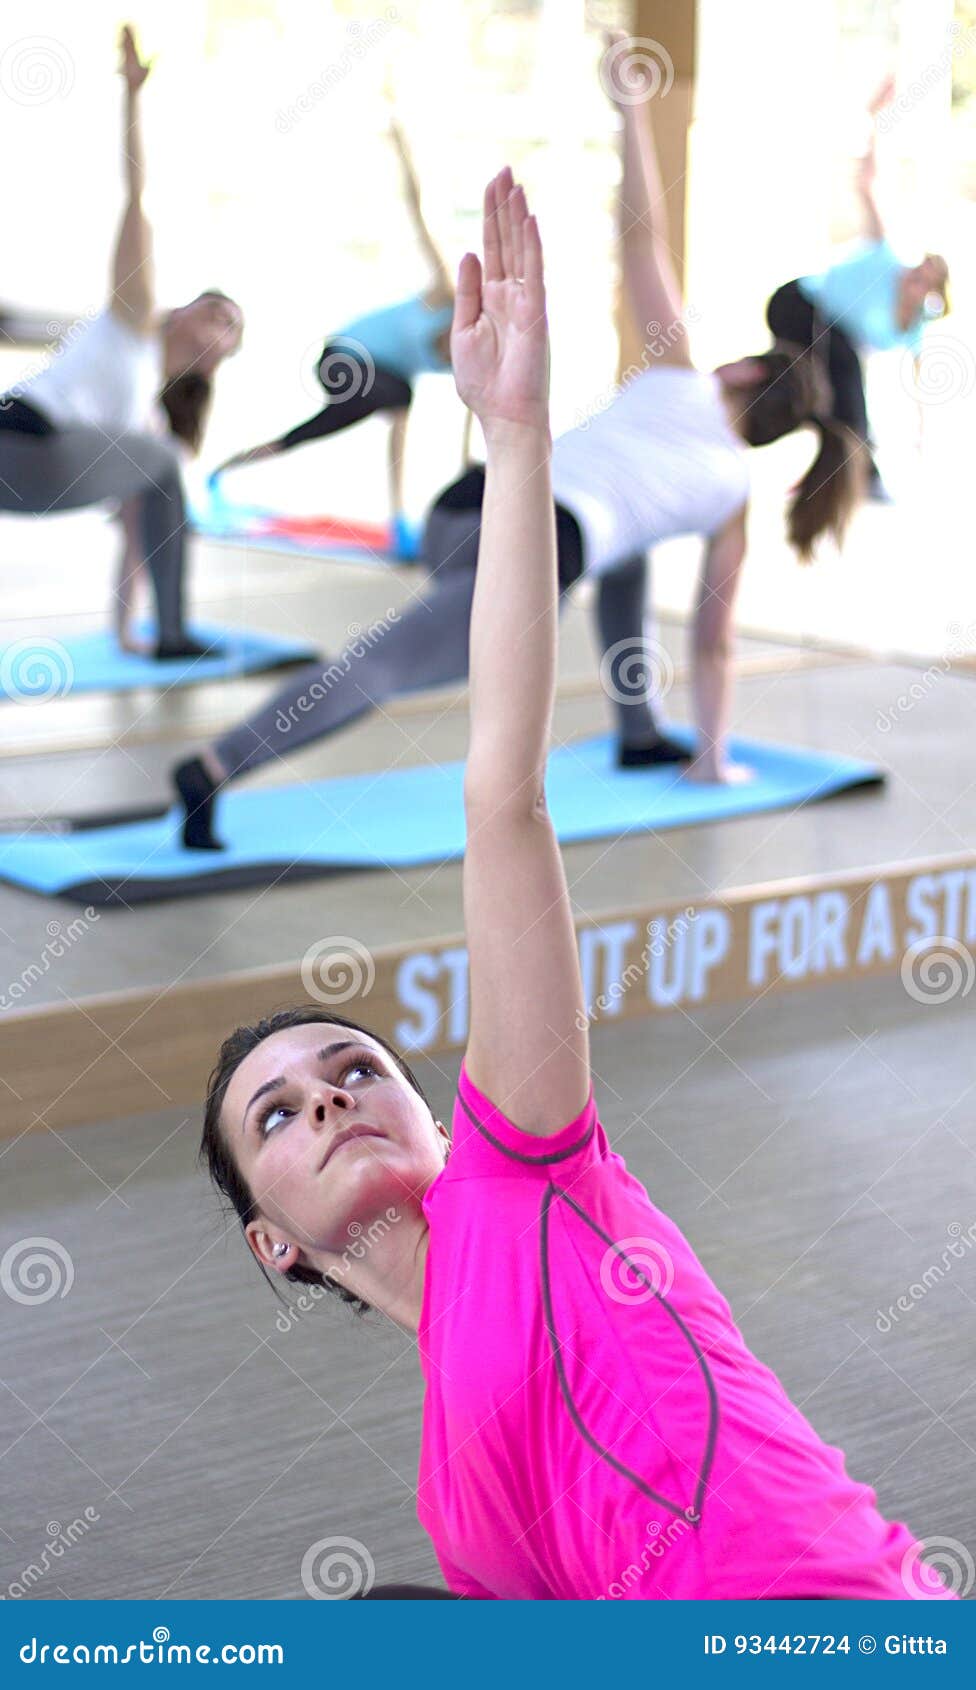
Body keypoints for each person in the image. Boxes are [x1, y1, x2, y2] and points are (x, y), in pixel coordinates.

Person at [199, 167, 954, 1603]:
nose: (332, 1099)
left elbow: (502, 798)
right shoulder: (446, 1503)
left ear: (445, 1113)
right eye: (279, 1114)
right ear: (271, 1242)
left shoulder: (520, 1175)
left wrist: (518, 429)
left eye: (353, 1068)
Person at [172, 37, 863, 848]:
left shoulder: (677, 373)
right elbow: (714, 646)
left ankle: (639, 732)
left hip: (468, 506)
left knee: (623, 553)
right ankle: (211, 769)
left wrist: (630, 109)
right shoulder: (732, 496)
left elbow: (641, 239)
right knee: (386, 665)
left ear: (746, 370)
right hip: (526, 548)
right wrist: (714, 761)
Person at [0, 26, 244, 659]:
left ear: (217, 363)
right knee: (162, 464)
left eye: (232, 330)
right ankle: (175, 635)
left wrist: (122, 634)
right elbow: (136, 196)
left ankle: (161, 634)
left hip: (37, 472)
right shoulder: (134, 322)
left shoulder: (148, 425)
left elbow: (139, 539)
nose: (220, 327)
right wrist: (133, 95)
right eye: (216, 312)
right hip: (21, 438)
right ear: (181, 312)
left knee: (160, 474)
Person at [212, 118, 468, 559]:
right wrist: (401, 144)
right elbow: (420, 212)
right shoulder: (446, 295)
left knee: (310, 433)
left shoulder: (465, 357)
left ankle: (222, 471)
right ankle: (399, 519)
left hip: (377, 384)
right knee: (401, 397)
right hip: (340, 358)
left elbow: (472, 421)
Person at [766, 75, 949, 501]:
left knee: (825, 393)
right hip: (796, 303)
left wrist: (922, 437)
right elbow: (868, 183)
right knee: (844, 375)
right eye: (915, 268)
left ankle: (829, 477)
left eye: (921, 279)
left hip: (825, 334)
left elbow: (921, 386)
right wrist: (877, 120)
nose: (911, 276)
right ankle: (864, 474)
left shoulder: (913, 327)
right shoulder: (886, 256)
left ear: (930, 294)